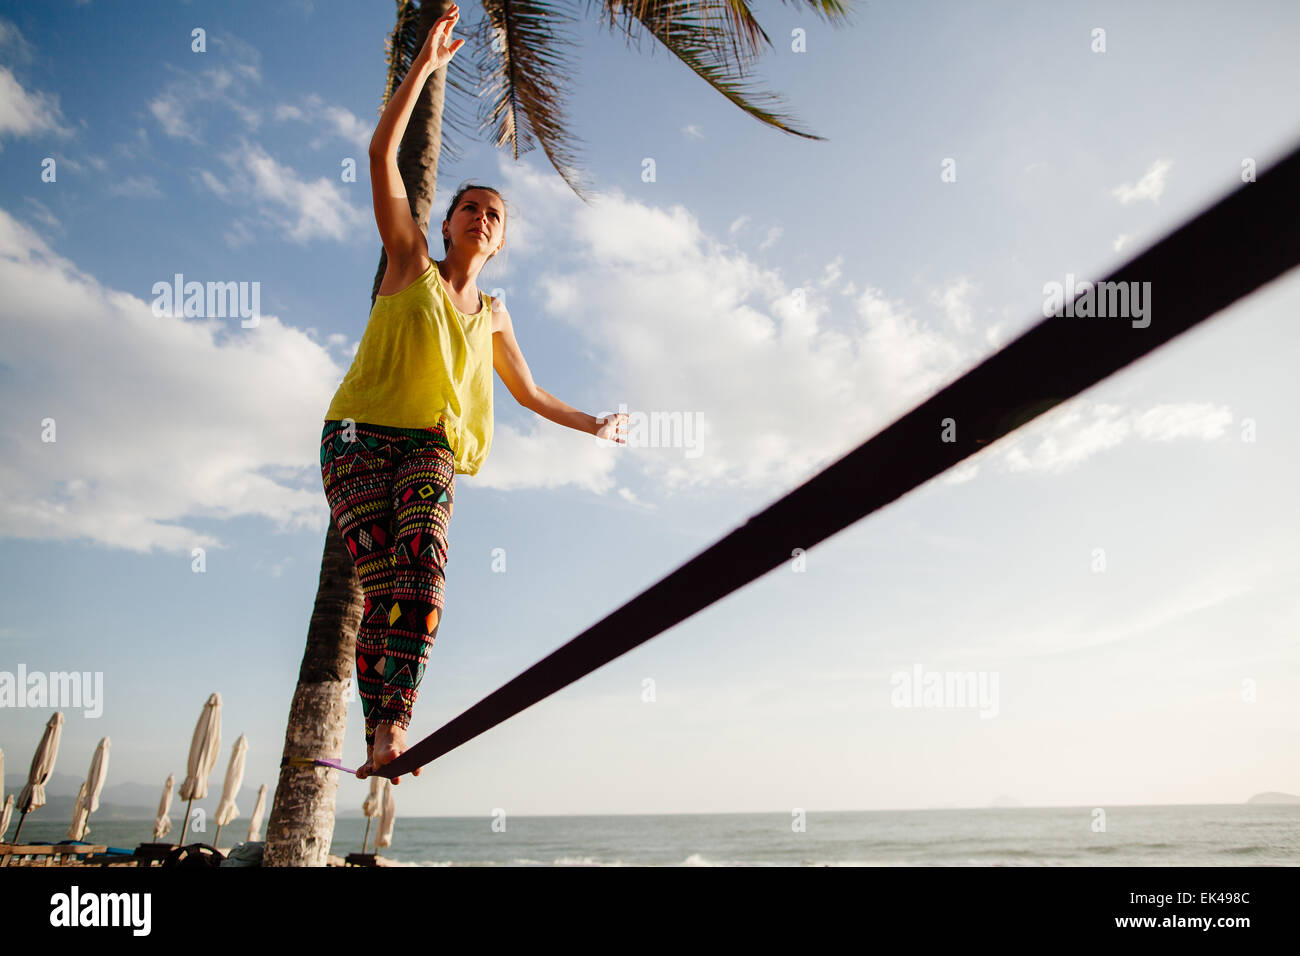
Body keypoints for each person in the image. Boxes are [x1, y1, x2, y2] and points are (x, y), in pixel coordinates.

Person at [320, 4, 627, 784]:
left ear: (499, 239)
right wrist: (423, 68)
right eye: (471, 208)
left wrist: (597, 424)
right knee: (383, 585)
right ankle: (377, 734)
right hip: (355, 439)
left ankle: (392, 729)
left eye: (495, 215)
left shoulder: (493, 315)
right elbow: (380, 152)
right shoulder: (407, 264)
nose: (483, 218)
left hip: (429, 447)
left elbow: (527, 395)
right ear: (449, 223)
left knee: (421, 577)